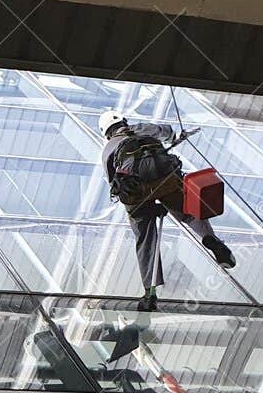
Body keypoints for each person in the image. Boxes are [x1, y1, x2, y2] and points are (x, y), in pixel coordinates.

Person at [99, 111, 234, 311]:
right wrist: (173, 138)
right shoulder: (139, 129)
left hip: (136, 186)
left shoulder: (108, 149)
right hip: (164, 172)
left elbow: (114, 183)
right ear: (123, 122)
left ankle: (149, 292)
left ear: (107, 133)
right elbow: (166, 131)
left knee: (145, 236)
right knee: (188, 211)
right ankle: (210, 238)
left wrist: (145, 205)